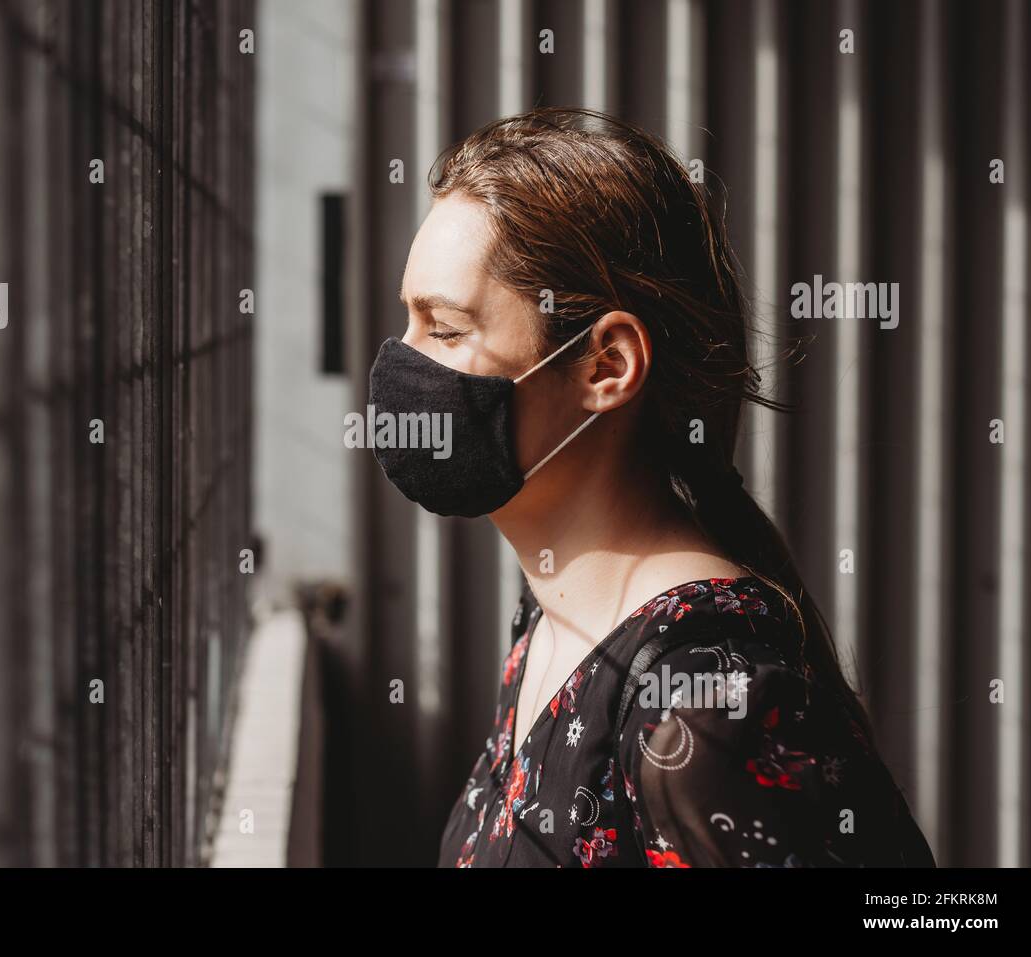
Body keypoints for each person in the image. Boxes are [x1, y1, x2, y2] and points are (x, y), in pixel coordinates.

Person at [366, 108, 936, 868]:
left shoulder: (702, 703)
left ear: (606, 365)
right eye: (407, 320)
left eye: (445, 329)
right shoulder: (552, 620)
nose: (400, 368)